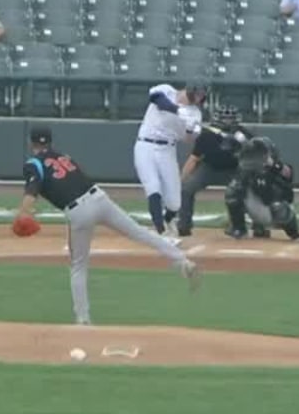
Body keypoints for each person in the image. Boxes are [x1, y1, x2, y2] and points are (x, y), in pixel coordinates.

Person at [16, 126, 199, 326]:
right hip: (100, 198)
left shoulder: (33, 164)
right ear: (50, 141)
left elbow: (32, 190)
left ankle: (83, 319)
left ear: (31, 143)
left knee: (78, 266)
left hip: (78, 211)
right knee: (139, 232)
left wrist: (23, 212)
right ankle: (182, 260)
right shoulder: (64, 157)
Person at [135, 83, 207, 234]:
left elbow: (188, 139)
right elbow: (158, 101)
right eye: (198, 94)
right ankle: (160, 230)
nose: (199, 99)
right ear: (191, 91)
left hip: (167, 150)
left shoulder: (195, 114)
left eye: (202, 96)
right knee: (153, 186)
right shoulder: (166, 90)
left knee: (174, 203)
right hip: (145, 146)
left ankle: (167, 221)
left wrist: (191, 129)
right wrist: (178, 110)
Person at [174, 104, 250, 238]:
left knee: (248, 190)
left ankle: (243, 226)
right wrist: (181, 179)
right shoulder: (207, 134)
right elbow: (194, 159)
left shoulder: (243, 134)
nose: (228, 121)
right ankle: (184, 224)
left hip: (233, 169)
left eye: (230, 118)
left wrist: (244, 144)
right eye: (225, 118)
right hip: (209, 168)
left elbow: (253, 155)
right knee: (186, 189)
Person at [223, 135, 299, 241]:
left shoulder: (279, 167)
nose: (257, 158)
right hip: (260, 209)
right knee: (233, 191)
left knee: (277, 205)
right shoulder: (247, 171)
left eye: (260, 154)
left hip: (278, 208)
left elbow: (287, 174)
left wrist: (272, 165)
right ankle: (240, 229)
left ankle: (293, 231)